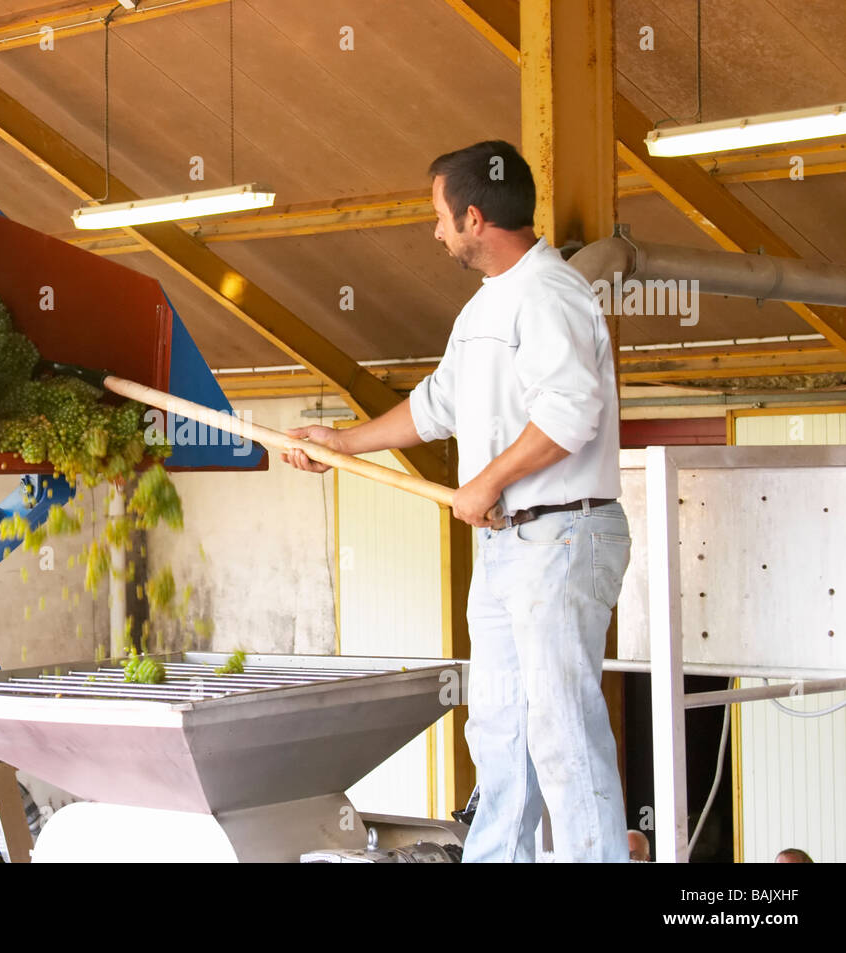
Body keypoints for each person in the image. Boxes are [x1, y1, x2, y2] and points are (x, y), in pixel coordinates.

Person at [285, 140, 631, 862]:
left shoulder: (551, 295)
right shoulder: (483, 308)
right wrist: (341, 442)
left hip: (562, 539)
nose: (435, 232)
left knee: (562, 730)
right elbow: (436, 405)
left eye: (440, 217)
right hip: (509, 544)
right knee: (500, 726)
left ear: (474, 218)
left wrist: (489, 480)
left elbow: (571, 413)